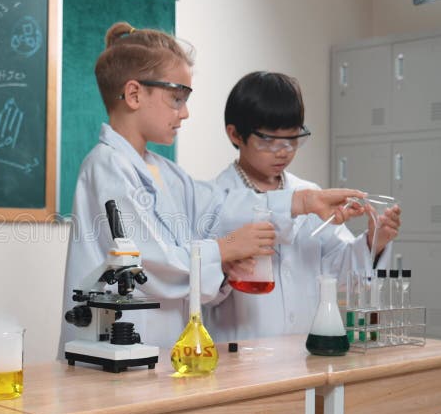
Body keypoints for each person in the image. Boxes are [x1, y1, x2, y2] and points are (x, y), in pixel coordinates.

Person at [60, 23, 366, 355]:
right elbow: (149, 262)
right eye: (177, 98)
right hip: (110, 351)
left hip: (160, 352)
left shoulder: (168, 173)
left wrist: (304, 200)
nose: (185, 112)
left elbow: (220, 207)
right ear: (134, 94)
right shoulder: (106, 167)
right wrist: (224, 249)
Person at [205, 71, 402, 342]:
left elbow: (339, 276)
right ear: (236, 134)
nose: (283, 151)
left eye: (292, 139)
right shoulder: (216, 199)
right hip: (241, 354)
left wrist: (373, 242)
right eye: (268, 140)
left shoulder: (308, 193)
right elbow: (203, 291)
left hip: (304, 353)